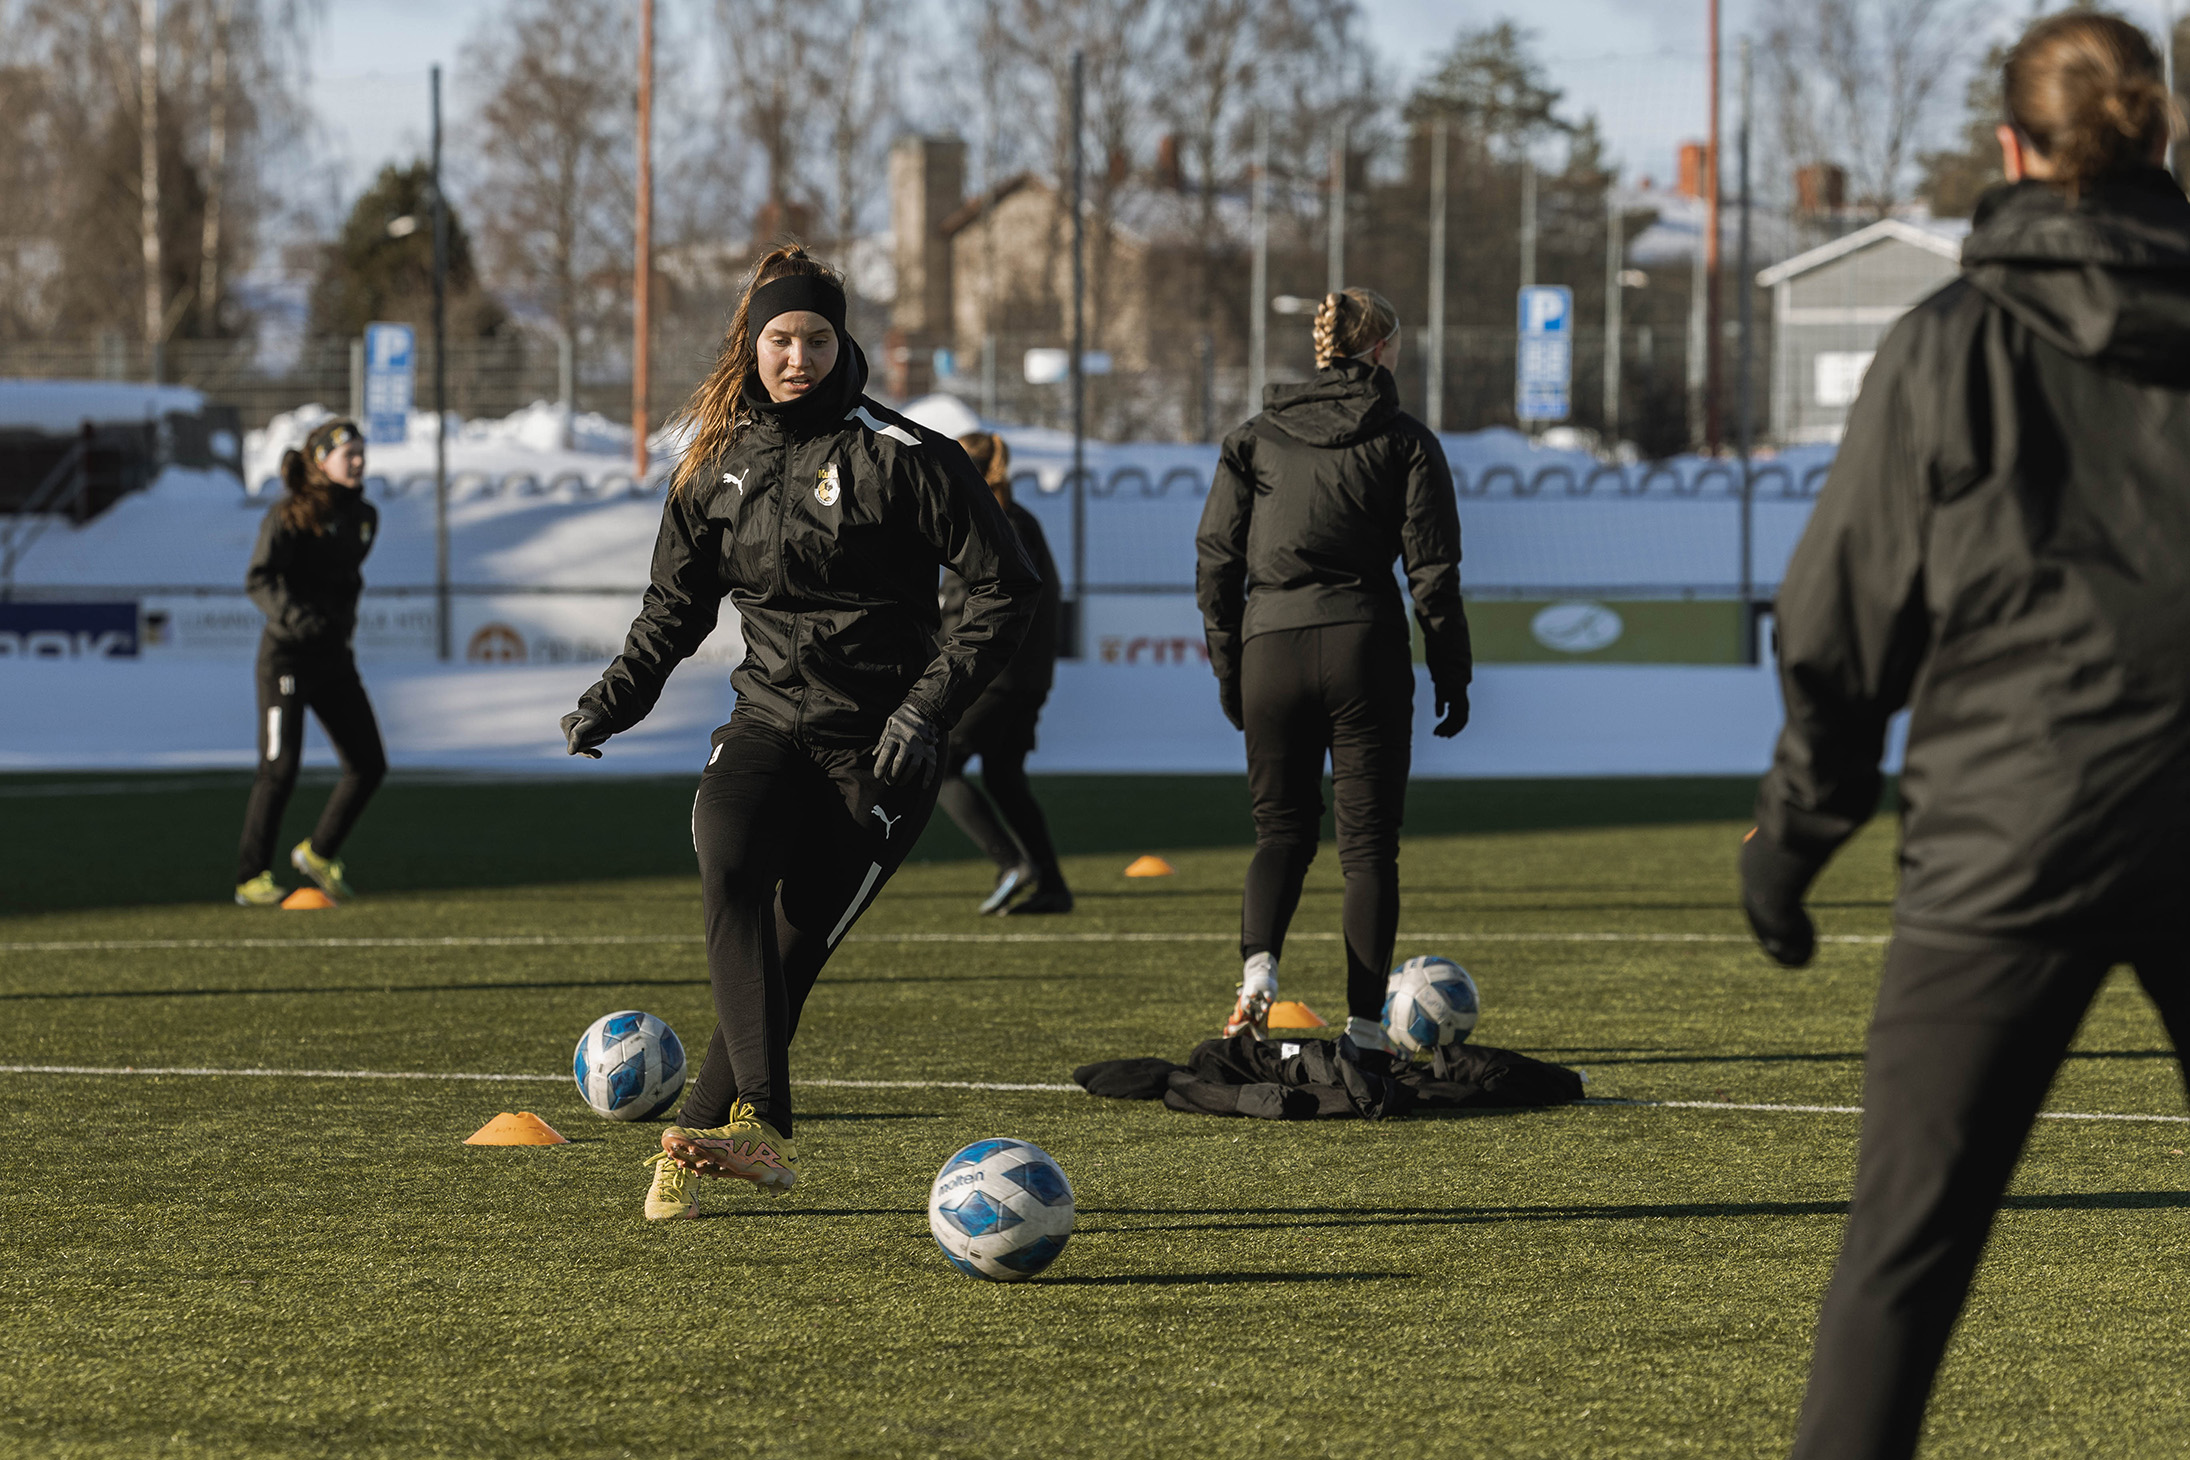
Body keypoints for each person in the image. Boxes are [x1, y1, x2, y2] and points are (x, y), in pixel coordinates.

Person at [1742, 15, 2190, 1456]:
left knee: (1902, 1256)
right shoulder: (1950, 341)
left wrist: (1795, 835)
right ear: (2157, 140)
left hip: (2003, 842)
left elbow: (1835, 621)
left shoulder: (1944, 343)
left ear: (2009, 149)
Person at [560, 245, 1038, 1220]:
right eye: (780, 337)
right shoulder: (715, 458)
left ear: (840, 342)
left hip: (883, 746)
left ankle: (705, 1138)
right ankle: (759, 1118)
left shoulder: (904, 455)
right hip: (769, 720)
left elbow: (1003, 587)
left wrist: (924, 708)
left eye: (816, 336)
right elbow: (675, 604)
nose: (798, 355)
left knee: (789, 952)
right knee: (725, 852)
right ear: (753, 342)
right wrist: (617, 695)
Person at [1194, 287, 1472, 1061]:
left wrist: (1230, 664)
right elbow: (1434, 570)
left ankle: (1257, 975)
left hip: (1269, 646)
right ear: (1381, 350)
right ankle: (1364, 1027)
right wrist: (1453, 667)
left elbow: (1215, 559)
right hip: (1364, 644)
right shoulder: (1407, 439)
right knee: (1368, 848)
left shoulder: (1253, 437)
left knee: (1280, 834)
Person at [234, 417, 387, 906]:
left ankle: (319, 853)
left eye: (363, 453)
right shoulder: (288, 515)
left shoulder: (366, 517)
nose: (359, 462)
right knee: (279, 768)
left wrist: (337, 629)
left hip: (334, 660)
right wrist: (301, 620)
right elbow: (260, 579)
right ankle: (250, 877)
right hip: (286, 659)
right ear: (321, 461)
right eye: (350, 455)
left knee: (368, 764)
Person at [935, 430, 1071, 915]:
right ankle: (1052, 886)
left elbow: (963, 613)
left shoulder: (982, 520)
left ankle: (1012, 863)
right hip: (1028, 678)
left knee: (939, 766)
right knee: (1005, 777)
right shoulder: (1021, 519)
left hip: (992, 676)